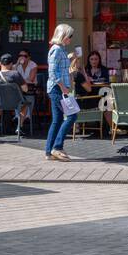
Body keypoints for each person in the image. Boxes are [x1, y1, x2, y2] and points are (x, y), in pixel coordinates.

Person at [45, 24, 77, 162]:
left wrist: (69, 57)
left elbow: (59, 67)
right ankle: (57, 147)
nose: (70, 39)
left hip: (58, 88)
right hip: (58, 88)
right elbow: (52, 72)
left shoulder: (61, 49)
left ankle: (49, 151)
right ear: (62, 36)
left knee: (57, 120)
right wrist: (63, 86)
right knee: (72, 115)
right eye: (69, 36)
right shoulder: (57, 50)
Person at [0, 53, 28, 136]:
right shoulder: (15, 74)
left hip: (0, 103)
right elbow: (25, 89)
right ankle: (19, 127)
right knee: (25, 105)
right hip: (15, 103)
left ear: (0, 63)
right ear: (11, 64)